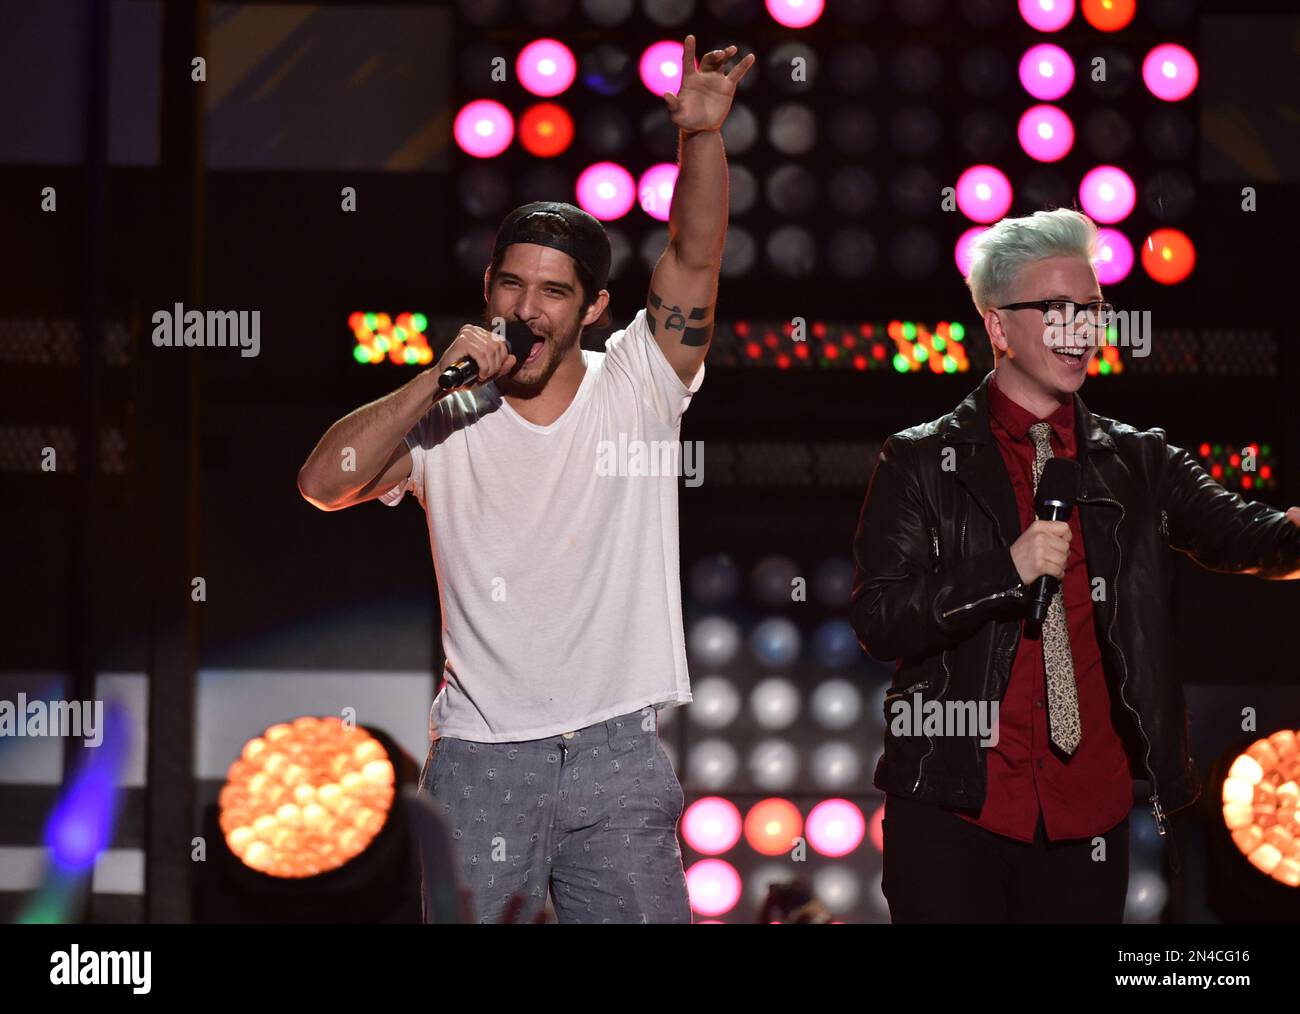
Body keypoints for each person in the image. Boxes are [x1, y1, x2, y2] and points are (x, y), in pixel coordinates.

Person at [297, 36, 754, 923]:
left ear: (592, 309)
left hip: (615, 754)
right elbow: (323, 482)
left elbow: (694, 261)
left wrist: (699, 137)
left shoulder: (640, 383)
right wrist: (434, 379)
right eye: (512, 285)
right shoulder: (446, 413)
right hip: (480, 759)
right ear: (488, 289)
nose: (526, 308)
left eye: (552, 291)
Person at [849, 207, 1300, 923]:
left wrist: (1290, 536)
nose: (1081, 329)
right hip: (953, 805)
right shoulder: (919, 459)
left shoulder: (1138, 461)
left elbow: (1250, 536)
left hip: (1084, 818)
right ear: (998, 327)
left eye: (1091, 310)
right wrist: (1007, 570)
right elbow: (880, 619)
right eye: (1056, 309)